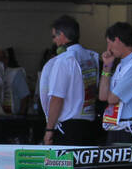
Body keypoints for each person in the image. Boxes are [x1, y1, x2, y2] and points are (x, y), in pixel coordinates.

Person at [39, 15, 101, 146]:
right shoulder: (91, 57)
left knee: (64, 166)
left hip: (68, 127)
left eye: (54, 36)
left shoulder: (63, 60)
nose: (54, 41)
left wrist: (49, 129)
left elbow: (57, 98)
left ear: (61, 35)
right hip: (89, 124)